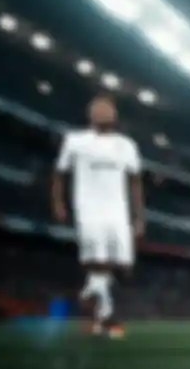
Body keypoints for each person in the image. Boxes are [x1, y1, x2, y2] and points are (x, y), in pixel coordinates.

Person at [51, 94, 144, 338]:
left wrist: (139, 217)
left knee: (125, 265)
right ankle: (105, 317)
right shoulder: (75, 140)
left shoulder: (126, 145)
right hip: (89, 208)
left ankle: (92, 289)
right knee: (98, 259)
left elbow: (135, 182)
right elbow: (60, 173)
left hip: (118, 210)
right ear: (89, 114)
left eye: (107, 109)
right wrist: (59, 203)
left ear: (115, 115)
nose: (103, 112)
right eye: (98, 108)